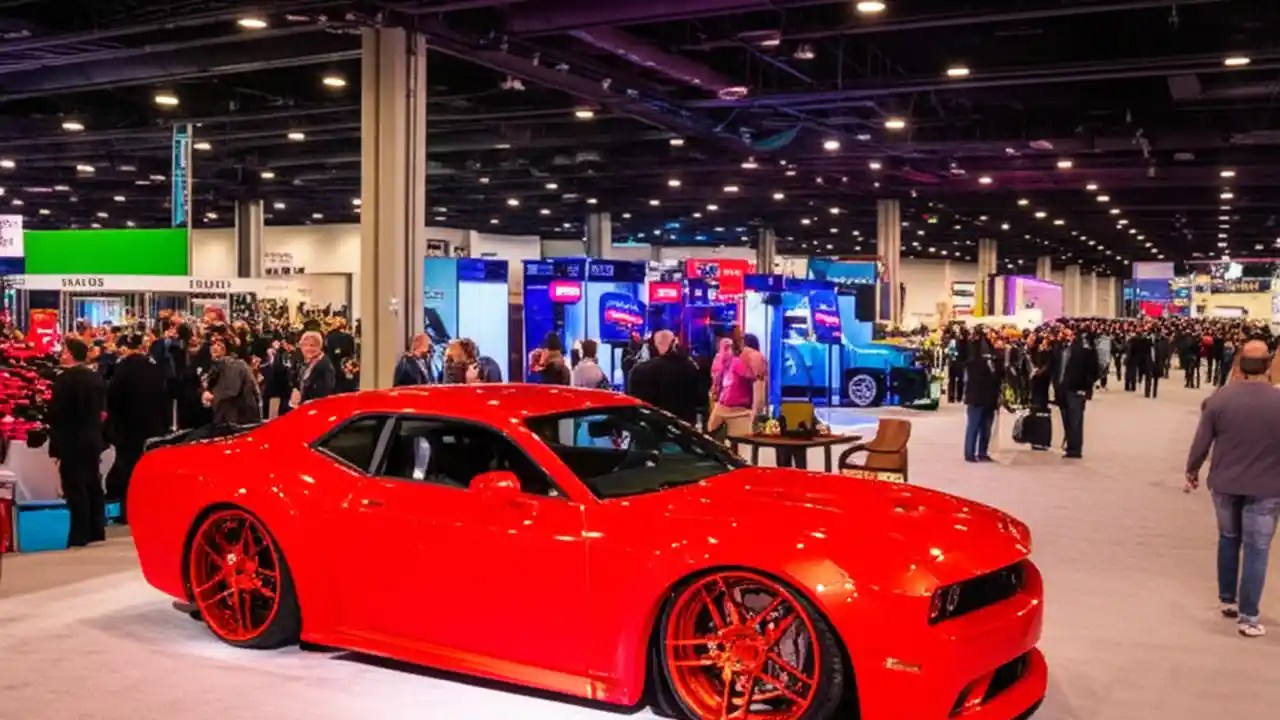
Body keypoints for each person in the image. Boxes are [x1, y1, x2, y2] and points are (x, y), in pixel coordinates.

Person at [1185, 340, 1280, 638]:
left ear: (1239, 363)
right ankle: (1249, 616)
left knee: (1228, 537)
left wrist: (1192, 470)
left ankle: (1228, 599)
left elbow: (1202, 441)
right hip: (1267, 486)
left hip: (1225, 483)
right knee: (1257, 548)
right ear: (1267, 364)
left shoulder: (1220, 398)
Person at [47, 337, 108, 547]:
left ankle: (78, 533)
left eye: (64, 350)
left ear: (70, 354)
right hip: (92, 437)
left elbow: (57, 412)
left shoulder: (64, 381)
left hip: (71, 438)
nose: (61, 354)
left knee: (75, 485)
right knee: (93, 483)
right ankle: (97, 529)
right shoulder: (96, 378)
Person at [104, 334, 168, 522]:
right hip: (153, 427)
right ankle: (151, 508)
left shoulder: (122, 369)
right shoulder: (154, 368)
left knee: (128, 470)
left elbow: (113, 398)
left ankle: (127, 511)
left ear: (125, 349)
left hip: (128, 428)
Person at [629, 330, 701, 424]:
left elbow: (636, 407)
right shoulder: (691, 367)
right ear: (675, 344)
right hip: (685, 431)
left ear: (654, 346)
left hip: (654, 431)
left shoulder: (641, 370)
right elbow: (700, 400)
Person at [1051, 328, 1097, 459]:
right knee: (1066, 419)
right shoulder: (1059, 348)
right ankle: (1070, 444)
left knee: (1075, 420)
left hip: (1076, 389)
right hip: (1061, 389)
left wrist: (1086, 387)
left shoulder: (1083, 349)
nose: (1064, 335)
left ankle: (1075, 449)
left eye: (1067, 333)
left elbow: (1093, 368)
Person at [203, 337, 262, 424]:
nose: (214, 348)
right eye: (212, 344)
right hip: (230, 417)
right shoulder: (217, 366)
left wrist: (212, 396)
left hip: (239, 418)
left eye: (218, 345)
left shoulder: (234, 365)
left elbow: (231, 390)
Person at [962, 335, 1002, 462]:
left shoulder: (995, 362)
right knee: (973, 426)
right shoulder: (973, 362)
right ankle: (970, 453)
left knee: (986, 428)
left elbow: (1000, 376)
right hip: (976, 399)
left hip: (990, 399)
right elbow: (964, 354)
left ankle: (982, 452)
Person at [291, 330, 336, 406]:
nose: (308, 348)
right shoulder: (307, 361)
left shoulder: (325, 364)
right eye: (305, 345)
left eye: (312, 345)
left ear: (320, 346)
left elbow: (327, 391)